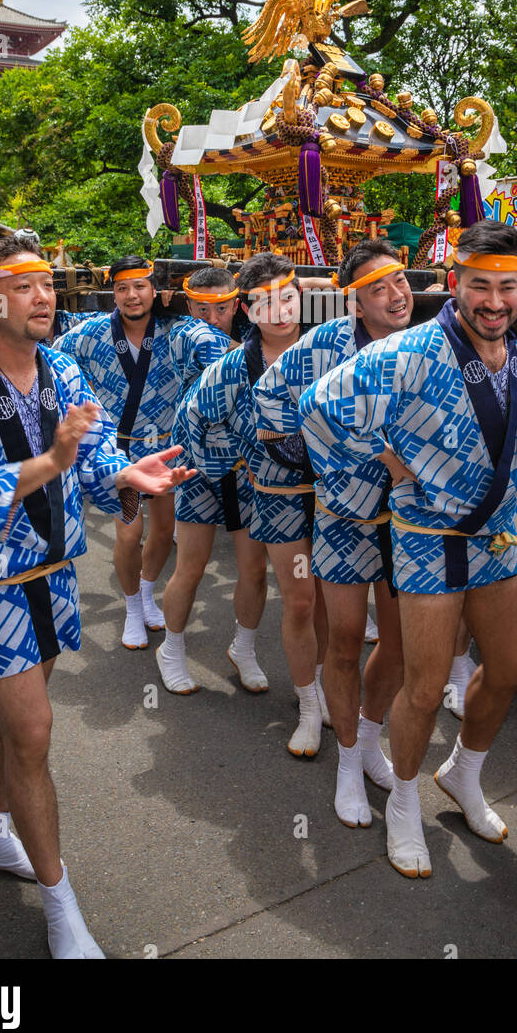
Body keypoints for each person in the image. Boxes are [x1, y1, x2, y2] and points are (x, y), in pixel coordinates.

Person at [299, 221, 517, 877]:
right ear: (455, 284)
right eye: (479, 285)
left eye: (508, 286)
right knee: (423, 689)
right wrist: (387, 458)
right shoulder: (410, 350)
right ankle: (401, 801)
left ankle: (464, 772)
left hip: (500, 535)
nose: (494, 301)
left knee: (511, 668)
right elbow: (317, 407)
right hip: (428, 539)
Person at [0, 235, 193, 959]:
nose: (45, 296)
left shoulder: (62, 367)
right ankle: (60, 902)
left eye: (48, 283)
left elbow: (97, 456)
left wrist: (128, 477)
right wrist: (50, 461)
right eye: (25, 285)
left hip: (54, 575)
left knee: (17, 723)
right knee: (34, 733)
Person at [253, 240, 410, 826]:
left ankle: (370, 742)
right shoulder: (321, 345)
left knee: (397, 647)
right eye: (377, 290)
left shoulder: (428, 346)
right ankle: (346, 759)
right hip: (342, 517)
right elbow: (268, 398)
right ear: (355, 302)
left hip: (411, 521)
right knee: (344, 638)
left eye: (399, 284)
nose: (394, 297)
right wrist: (315, 457)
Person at [180, 253, 328, 754]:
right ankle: (306, 703)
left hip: (335, 497)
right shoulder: (230, 367)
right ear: (245, 308)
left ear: (301, 297)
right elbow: (192, 418)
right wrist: (230, 464)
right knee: (300, 598)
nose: (279, 311)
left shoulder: (329, 351)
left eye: (287, 297)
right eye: (263, 302)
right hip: (276, 496)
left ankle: (323, 685)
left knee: (333, 599)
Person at [53, 257, 180, 648]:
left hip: (164, 449)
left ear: (154, 290)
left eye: (140, 286)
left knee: (163, 531)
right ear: (114, 293)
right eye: (122, 288)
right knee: (130, 534)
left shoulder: (177, 331)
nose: (131, 295)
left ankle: (146, 593)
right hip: (118, 452)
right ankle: (131, 606)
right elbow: (51, 361)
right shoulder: (89, 333)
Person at [162, 266, 268, 693]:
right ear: (189, 306)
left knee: (254, 569)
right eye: (202, 308)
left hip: (245, 467)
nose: (211, 317)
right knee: (191, 566)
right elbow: (224, 355)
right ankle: (170, 648)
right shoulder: (188, 335)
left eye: (221, 308)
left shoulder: (248, 331)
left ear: (236, 304)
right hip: (196, 466)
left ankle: (244, 647)